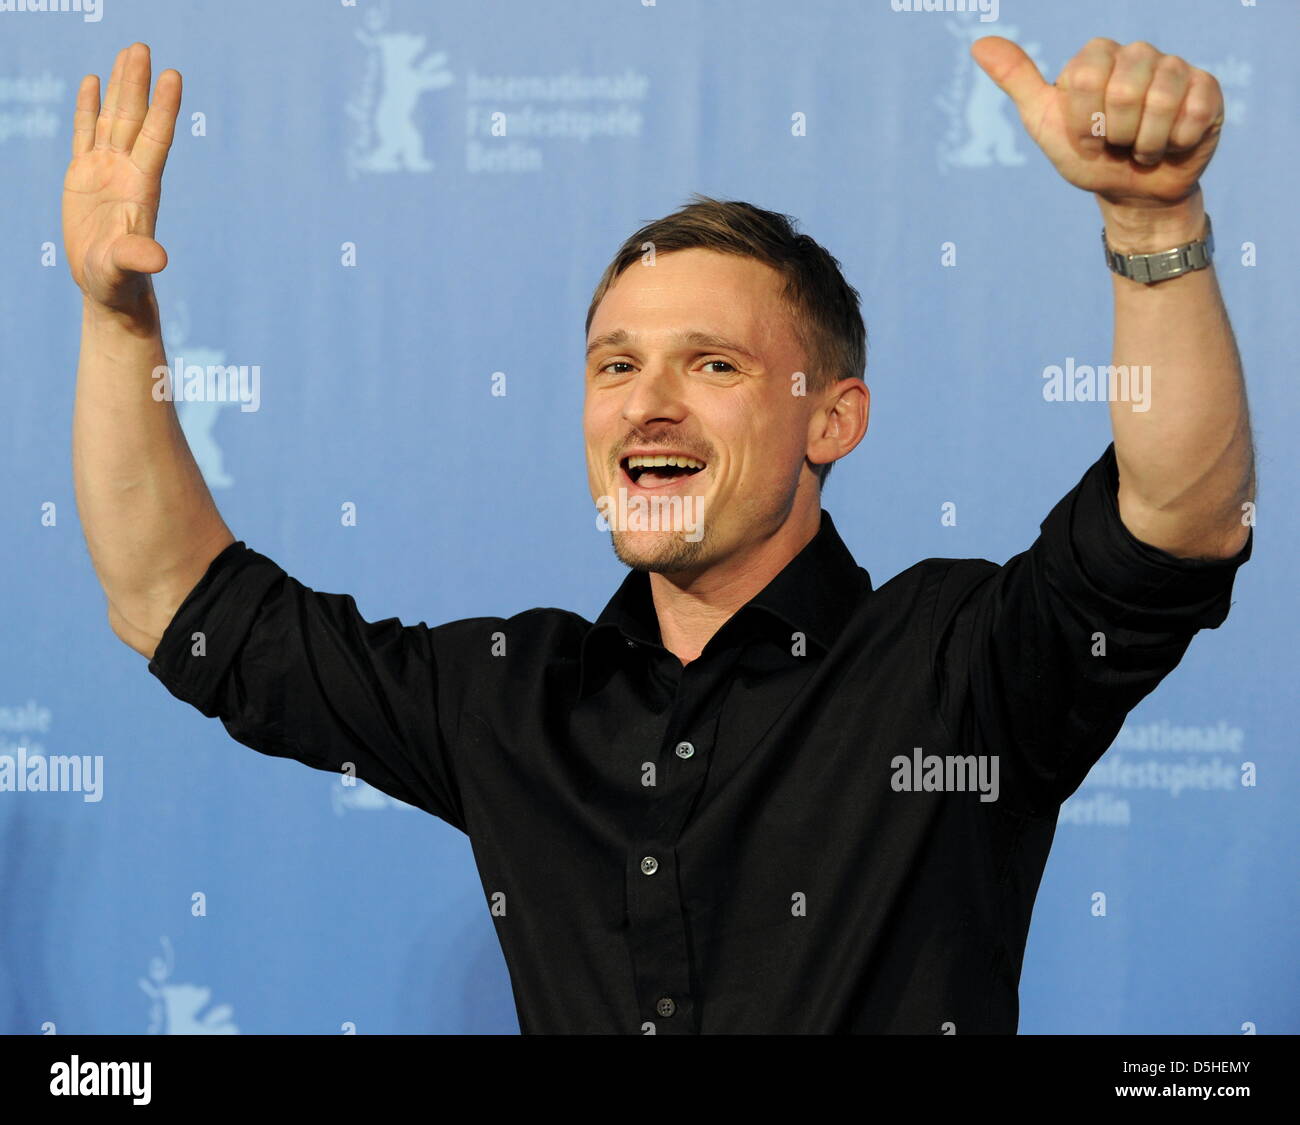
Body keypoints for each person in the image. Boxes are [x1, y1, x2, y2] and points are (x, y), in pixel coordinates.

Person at [67, 39, 1254, 1034]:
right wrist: (117, 322)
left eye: (716, 364)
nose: (648, 402)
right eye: (616, 366)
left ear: (830, 419)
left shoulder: (956, 668)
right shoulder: (510, 698)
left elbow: (1177, 521)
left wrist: (1155, 228)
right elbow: (170, 593)